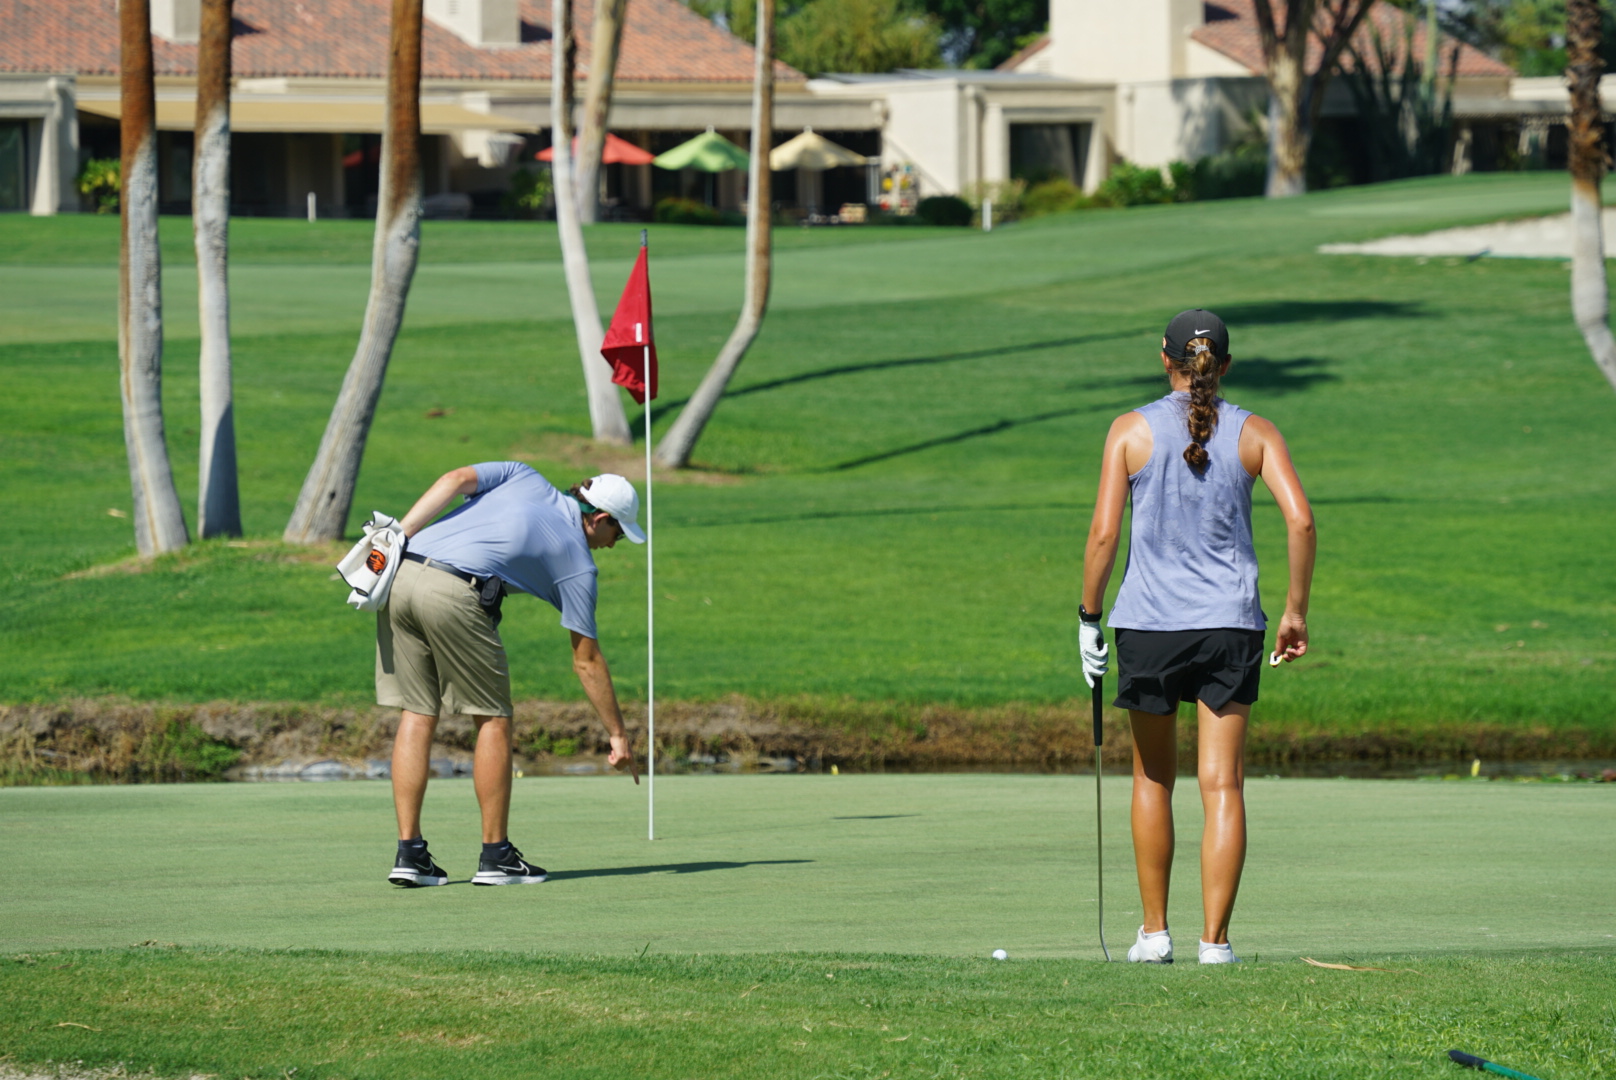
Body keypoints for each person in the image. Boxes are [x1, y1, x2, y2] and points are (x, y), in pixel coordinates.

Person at [1079, 310, 1315, 964]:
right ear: (1226, 365)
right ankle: (1216, 944)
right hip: (1229, 626)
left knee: (1154, 780)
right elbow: (1301, 522)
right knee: (1223, 785)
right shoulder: (1256, 431)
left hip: (1149, 626)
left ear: (1166, 358)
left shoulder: (1129, 430)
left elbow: (1104, 535)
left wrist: (1087, 617)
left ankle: (1155, 935)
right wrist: (1295, 612)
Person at [380, 463, 643, 888]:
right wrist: (618, 736)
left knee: (418, 711)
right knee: (493, 718)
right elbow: (586, 661)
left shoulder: (524, 474)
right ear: (598, 519)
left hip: (400, 573)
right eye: (618, 533)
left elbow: (452, 479)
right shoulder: (579, 565)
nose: (614, 545)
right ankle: (496, 857)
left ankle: (410, 856)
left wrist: (397, 537)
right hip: (454, 592)